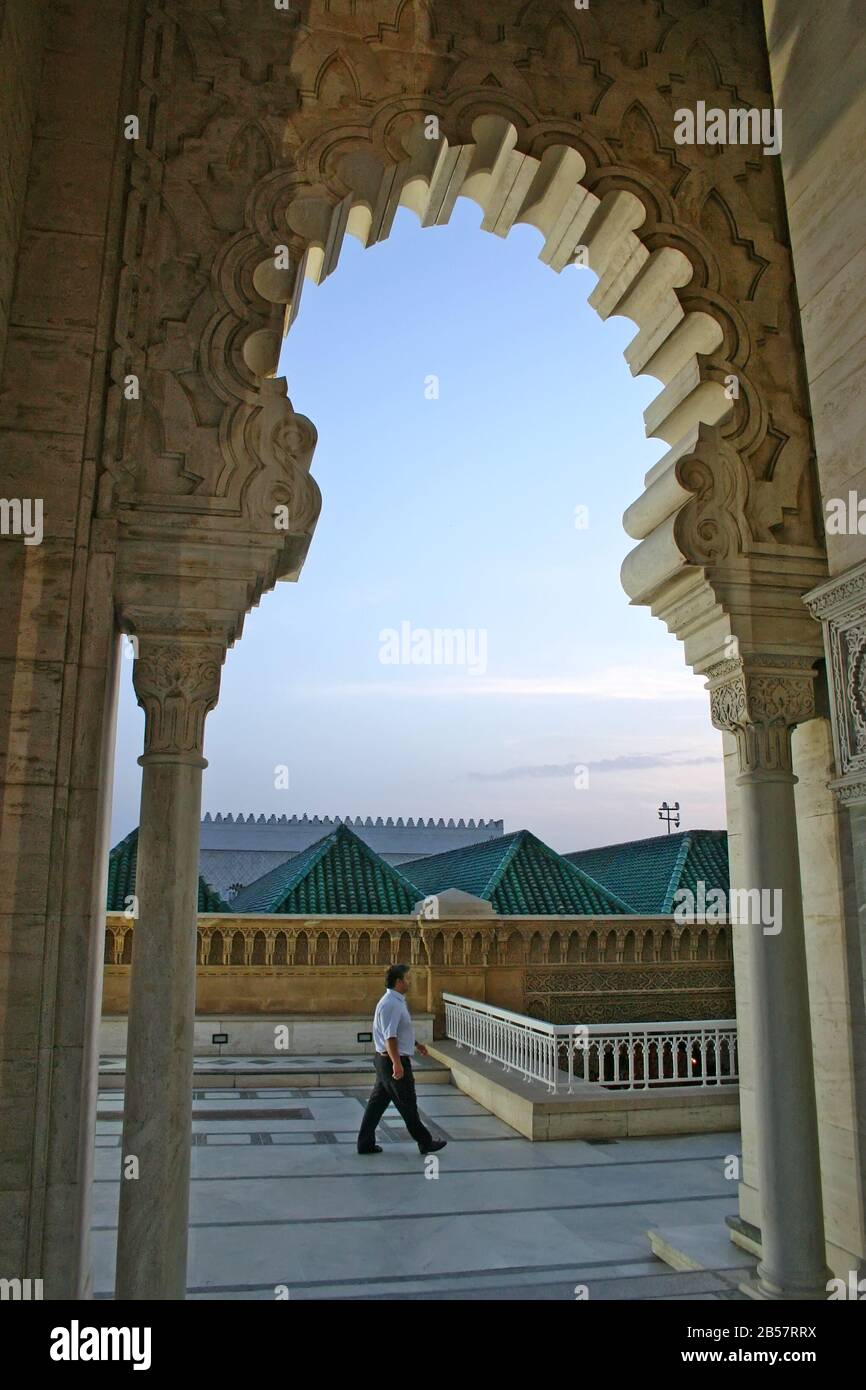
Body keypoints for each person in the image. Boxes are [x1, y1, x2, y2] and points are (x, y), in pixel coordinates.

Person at [357, 963, 447, 1156]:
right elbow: (390, 1036)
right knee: (408, 1103)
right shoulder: (391, 1004)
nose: (410, 982)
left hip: (385, 1060)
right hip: (391, 1061)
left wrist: (415, 1044)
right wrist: (397, 1064)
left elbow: (399, 1031)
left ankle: (365, 1143)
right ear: (398, 981)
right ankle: (425, 1142)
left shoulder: (395, 1001)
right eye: (407, 978)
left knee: (376, 1104)